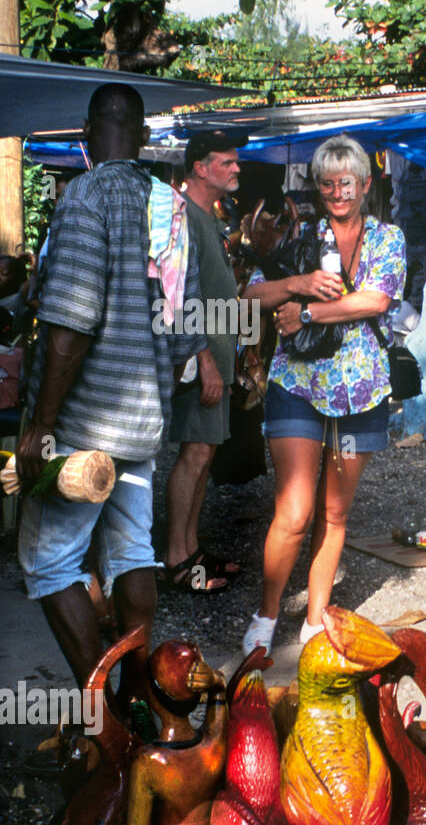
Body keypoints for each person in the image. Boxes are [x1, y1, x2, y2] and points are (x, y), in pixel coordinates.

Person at [16, 84, 205, 694]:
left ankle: (104, 713)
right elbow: (184, 337)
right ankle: (141, 697)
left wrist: (42, 426)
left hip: (80, 426)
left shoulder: (84, 199)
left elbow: (69, 326)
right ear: (144, 136)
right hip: (142, 425)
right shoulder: (171, 210)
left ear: (88, 131)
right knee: (131, 556)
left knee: (49, 565)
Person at [241, 135, 405, 655]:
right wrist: (301, 284)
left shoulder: (388, 238)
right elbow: (250, 293)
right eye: (328, 183)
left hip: (360, 393)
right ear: (318, 187)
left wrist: (308, 313)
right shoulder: (299, 235)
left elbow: (376, 299)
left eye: (346, 182)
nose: (337, 192)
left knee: (335, 514)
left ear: (365, 184)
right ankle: (266, 617)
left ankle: (314, 621)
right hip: (299, 385)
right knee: (294, 511)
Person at [161, 131, 246, 593]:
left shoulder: (206, 218)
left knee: (206, 451)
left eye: (236, 162)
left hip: (216, 351)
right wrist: (205, 359)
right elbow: (178, 295)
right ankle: (177, 559)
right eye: (226, 162)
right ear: (199, 167)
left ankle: (191, 551)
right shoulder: (184, 218)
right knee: (193, 453)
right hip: (201, 357)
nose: (236, 169)